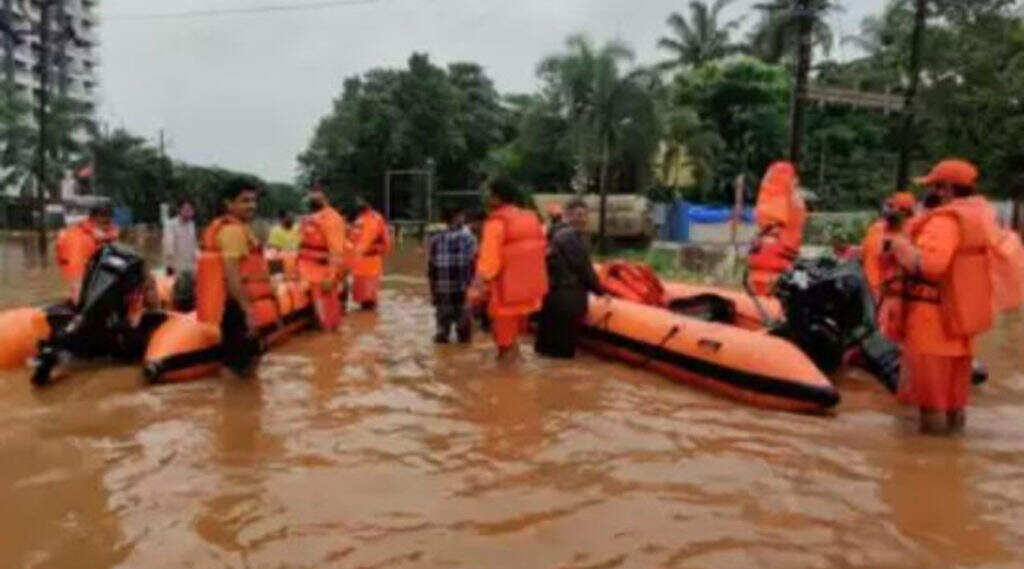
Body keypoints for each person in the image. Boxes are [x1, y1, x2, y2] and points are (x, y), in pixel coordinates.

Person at [884, 159, 998, 434]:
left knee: (931, 406)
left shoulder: (944, 221)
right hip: (959, 322)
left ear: (946, 189)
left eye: (934, 186)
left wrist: (900, 247)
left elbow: (930, 266)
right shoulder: (979, 219)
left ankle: (929, 468)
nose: (931, 192)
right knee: (953, 405)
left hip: (931, 323)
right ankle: (952, 465)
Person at [196, 178, 276, 377]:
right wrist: (247, 311)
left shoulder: (234, 228)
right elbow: (232, 275)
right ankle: (239, 405)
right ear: (229, 203)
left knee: (241, 369)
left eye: (253, 201)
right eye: (245, 201)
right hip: (235, 308)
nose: (251, 205)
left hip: (231, 307)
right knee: (243, 371)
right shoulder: (232, 231)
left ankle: (235, 403)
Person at [469, 176, 548, 360]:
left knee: (504, 348)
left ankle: (507, 383)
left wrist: (475, 291)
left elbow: (488, 265)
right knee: (515, 343)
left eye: (489, 194)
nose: (486, 198)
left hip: (505, 297)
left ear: (498, 197)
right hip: (529, 297)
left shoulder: (496, 223)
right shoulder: (531, 218)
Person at [535, 199, 602, 358]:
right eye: (578, 215)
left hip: (554, 296)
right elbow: (582, 268)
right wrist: (600, 291)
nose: (582, 219)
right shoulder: (570, 237)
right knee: (563, 352)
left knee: (547, 349)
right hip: (567, 298)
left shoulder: (556, 233)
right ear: (567, 216)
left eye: (585, 215)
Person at [747, 161, 807, 296]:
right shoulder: (795, 199)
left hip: (773, 258)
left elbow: (771, 219)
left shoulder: (777, 191)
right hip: (783, 257)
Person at [298, 185, 348, 330]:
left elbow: (336, 251)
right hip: (305, 273)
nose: (311, 197)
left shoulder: (331, 219)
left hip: (321, 275)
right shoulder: (309, 218)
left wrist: (331, 277)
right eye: (310, 193)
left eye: (315, 194)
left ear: (325, 196)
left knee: (327, 323)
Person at [428, 208, 477, 343]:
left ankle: (441, 360)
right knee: (464, 335)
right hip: (463, 289)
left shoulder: (436, 239)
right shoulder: (469, 238)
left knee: (442, 333)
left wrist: (433, 290)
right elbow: (474, 264)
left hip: (443, 289)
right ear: (459, 217)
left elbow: (431, 268)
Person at [56, 203, 120, 302]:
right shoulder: (78, 235)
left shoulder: (111, 232)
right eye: (102, 216)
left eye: (109, 216)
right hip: (77, 264)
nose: (106, 219)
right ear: (92, 218)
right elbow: (74, 266)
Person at [862, 192, 917, 300]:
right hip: (881, 289)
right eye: (889, 206)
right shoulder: (879, 229)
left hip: (882, 289)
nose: (888, 210)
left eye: (892, 206)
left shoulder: (905, 232)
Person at [351, 195, 391, 310]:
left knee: (368, 299)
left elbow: (366, 240)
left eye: (359, 200)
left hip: (369, 262)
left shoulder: (373, 218)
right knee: (363, 298)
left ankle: (368, 322)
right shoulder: (361, 218)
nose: (357, 202)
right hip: (360, 263)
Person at [162, 200, 198, 276]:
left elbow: (194, 244)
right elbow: (168, 247)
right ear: (180, 210)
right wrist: (169, 266)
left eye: (191, 210)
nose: (189, 212)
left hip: (190, 267)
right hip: (177, 267)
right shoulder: (170, 225)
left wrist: (198, 261)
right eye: (187, 210)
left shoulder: (191, 224)